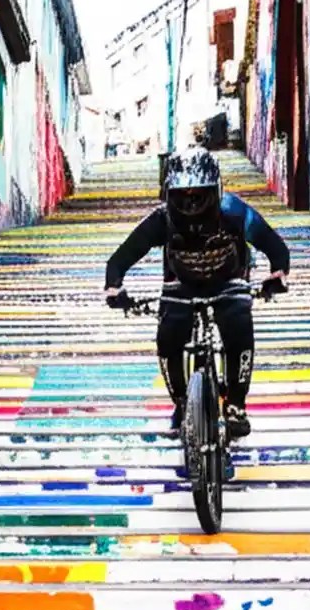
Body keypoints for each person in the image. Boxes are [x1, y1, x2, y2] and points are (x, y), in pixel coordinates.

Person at [103, 147, 289, 441]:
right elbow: (120, 259)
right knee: (168, 338)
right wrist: (115, 287)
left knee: (239, 326)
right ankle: (181, 402)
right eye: (181, 196)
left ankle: (236, 405)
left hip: (230, 281)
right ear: (168, 194)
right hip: (180, 286)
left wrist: (278, 274)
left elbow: (275, 246)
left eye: (198, 195)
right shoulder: (161, 220)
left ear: (215, 191)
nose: (190, 205)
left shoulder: (236, 213)